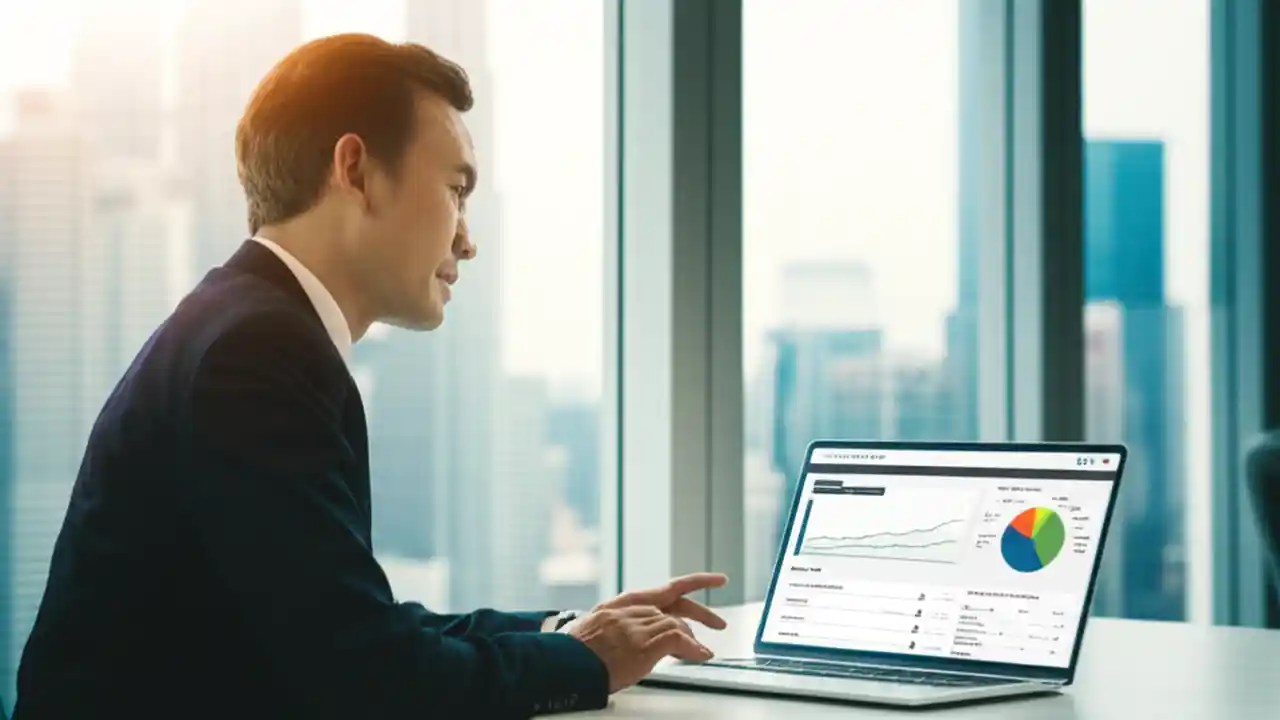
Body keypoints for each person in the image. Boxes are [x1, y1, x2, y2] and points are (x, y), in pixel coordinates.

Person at [13, 34, 728, 719]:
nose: (467, 239)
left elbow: (343, 622)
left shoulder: (242, 322)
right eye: (456, 188)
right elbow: (364, 675)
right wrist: (586, 663)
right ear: (353, 169)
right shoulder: (256, 351)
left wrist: (568, 628)